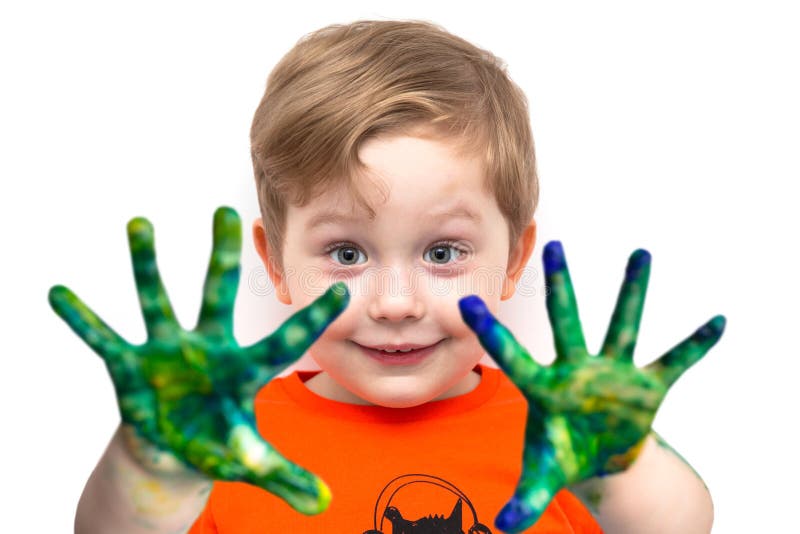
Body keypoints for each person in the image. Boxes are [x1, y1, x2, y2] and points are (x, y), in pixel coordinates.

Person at [51, 19, 722, 533]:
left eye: (441, 253)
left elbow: (681, 524)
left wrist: (617, 464)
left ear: (514, 260)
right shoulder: (228, 435)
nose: (396, 303)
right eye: (347, 254)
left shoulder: (557, 431)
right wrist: (150, 464)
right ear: (277, 262)